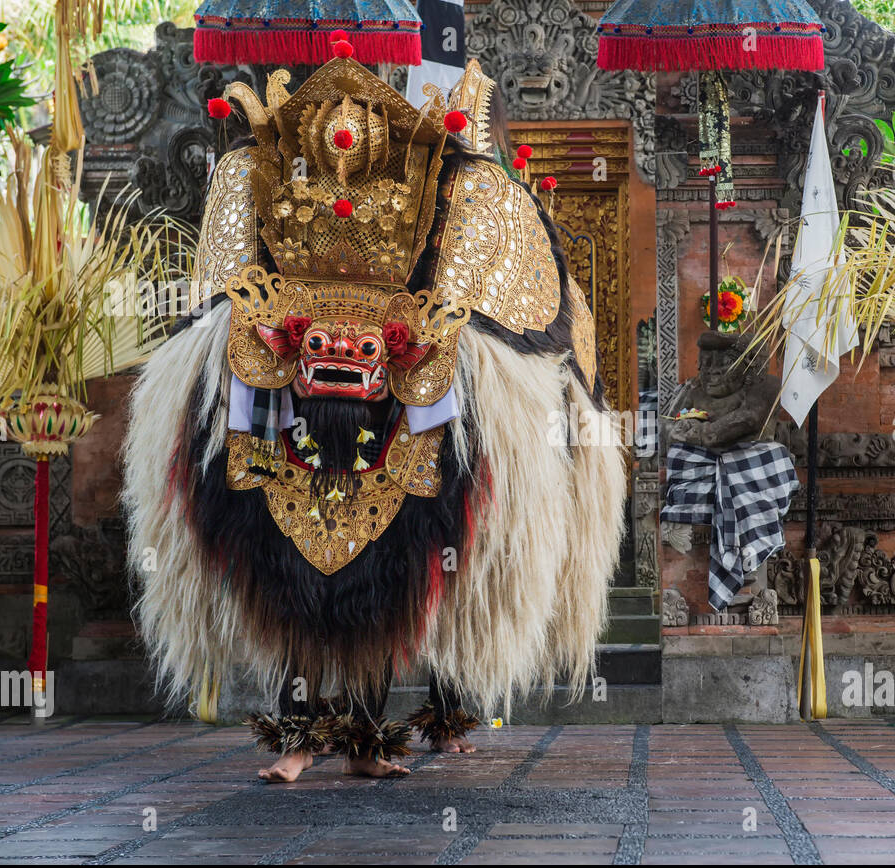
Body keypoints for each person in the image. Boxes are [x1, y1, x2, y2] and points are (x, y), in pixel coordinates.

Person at [124, 53, 626, 782]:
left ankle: (369, 735)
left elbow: (483, 309)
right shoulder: (257, 189)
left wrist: (419, 346)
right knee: (286, 576)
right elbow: (226, 292)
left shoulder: (467, 201)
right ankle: (299, 733)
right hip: (288, 402)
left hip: (408, 394)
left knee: (392, 580)